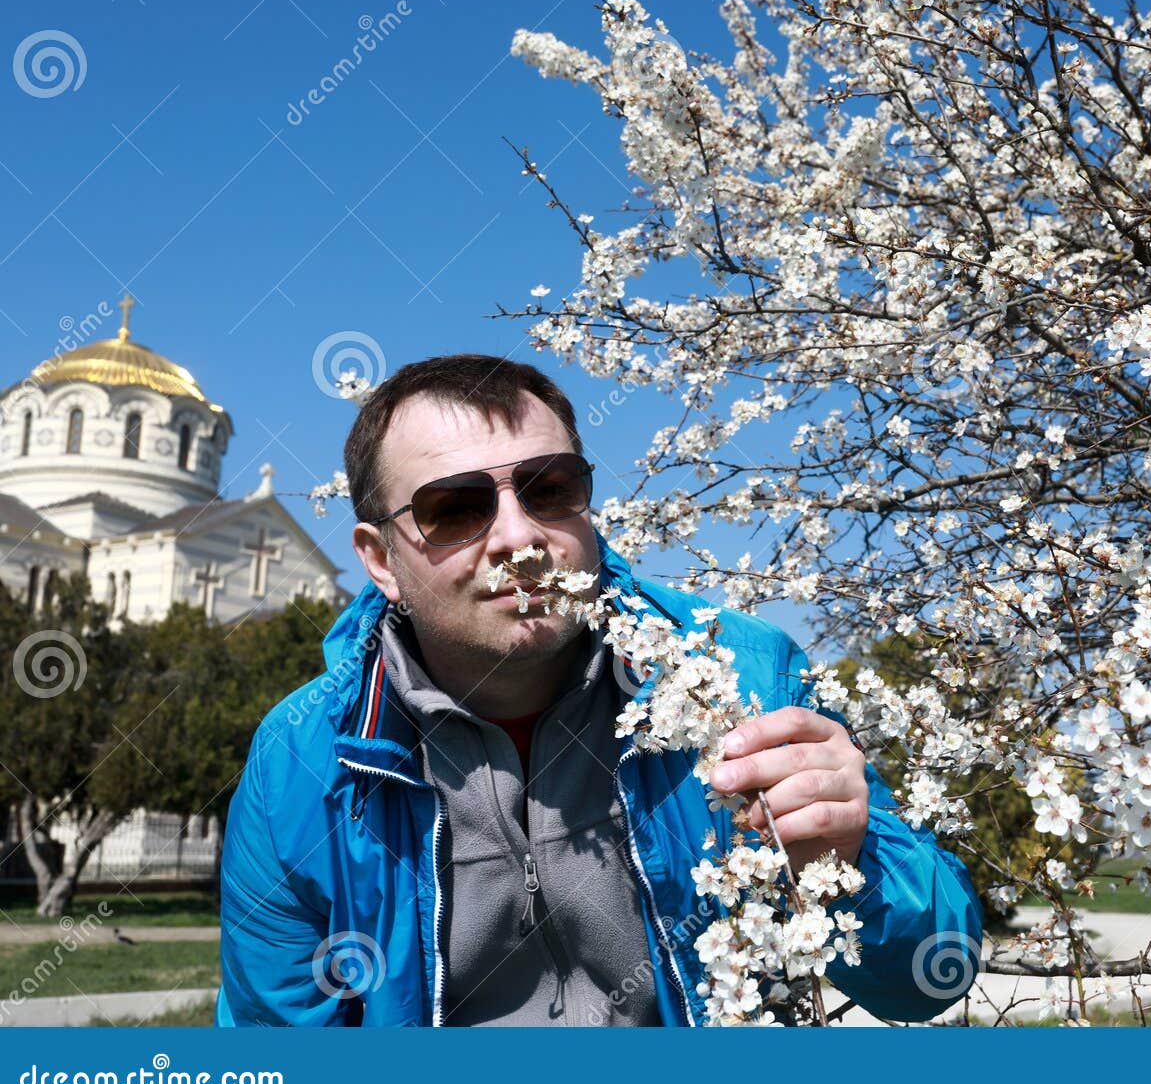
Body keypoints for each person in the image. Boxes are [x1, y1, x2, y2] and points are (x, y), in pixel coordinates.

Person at [216, 354, 981, 1027]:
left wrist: (854, 858)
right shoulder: (304, 764)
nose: (519, 537)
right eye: (456, 507)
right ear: (380, 559)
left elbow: (929, 979)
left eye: (549, 489)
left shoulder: (744, 679)